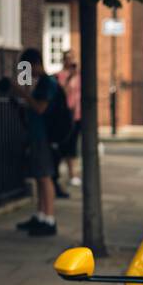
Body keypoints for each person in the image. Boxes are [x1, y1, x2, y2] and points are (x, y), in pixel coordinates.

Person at [12, 48, 59, 237]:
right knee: (40, 176)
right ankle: (41, 215)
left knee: (45, 176)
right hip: (37, 135)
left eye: (27, 67)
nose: (27, 72)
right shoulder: (41, 83)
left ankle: (49, 218)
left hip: (43, 136)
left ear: (35, 64)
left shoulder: (47, 83)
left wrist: (22, 93)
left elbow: (40, 108)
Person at [55, 49, 82, 190]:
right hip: (65, 116)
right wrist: (69, 78)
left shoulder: (80, 76)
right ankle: (65, 174)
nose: (70, 61)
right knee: (65, 146)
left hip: (78, 115)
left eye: (72, 58)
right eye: (67, 58)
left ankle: (73, 174)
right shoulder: (60, 76)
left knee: (73, 146)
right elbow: (62, 93)